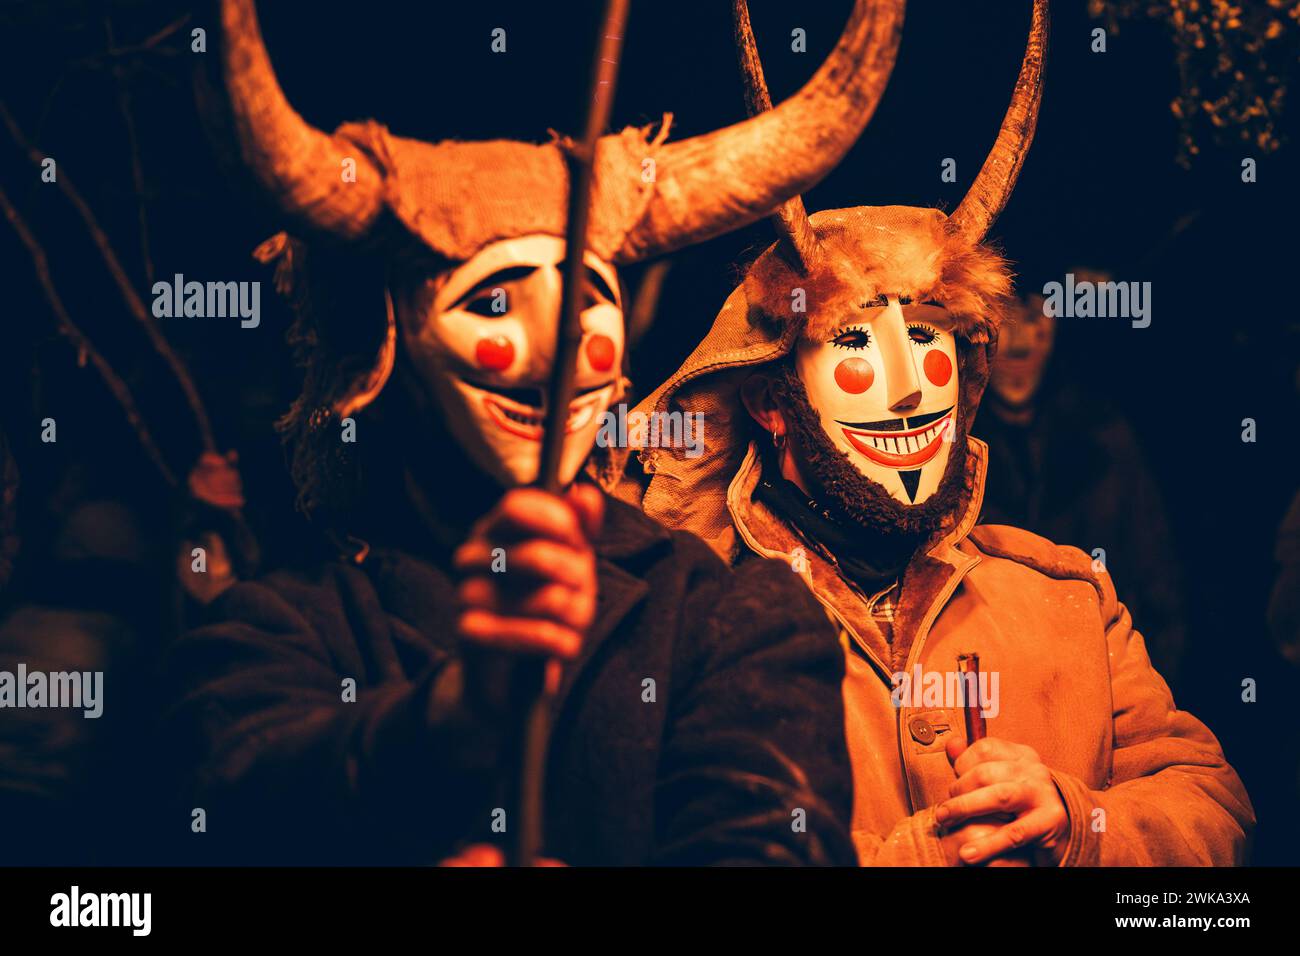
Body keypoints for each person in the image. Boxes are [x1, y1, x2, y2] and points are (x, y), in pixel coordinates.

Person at [164, 0, 906, 865]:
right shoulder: (273, 631)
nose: (559, 351)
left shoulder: (735, 619)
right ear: (387, 347)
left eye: (586, 297)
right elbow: (238, 804)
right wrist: (453, 715)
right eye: (492, 301)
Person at [598, 0, 1253, 865]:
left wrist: (1073, 820)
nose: (909, 391)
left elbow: (1217, 811)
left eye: (932, 340)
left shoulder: (1068, 602)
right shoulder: (685, 628)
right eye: (854, 342)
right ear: (768, 399)